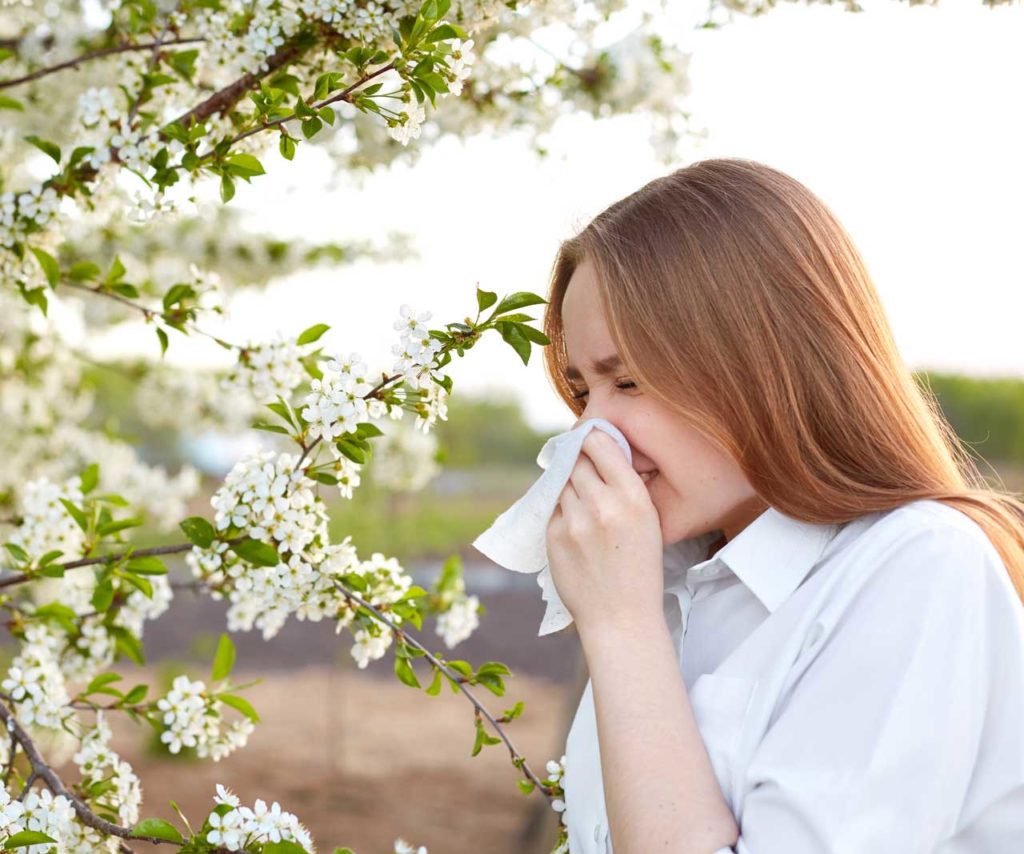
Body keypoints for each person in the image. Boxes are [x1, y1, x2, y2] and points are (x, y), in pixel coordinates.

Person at [540, 157, 1024, 853]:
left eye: (630, 382)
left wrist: (621, 628)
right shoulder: (670, 583)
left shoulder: (918, 566)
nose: (592, 433)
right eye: (584, 391)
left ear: (762, 362)